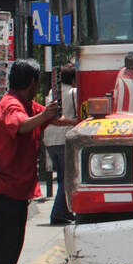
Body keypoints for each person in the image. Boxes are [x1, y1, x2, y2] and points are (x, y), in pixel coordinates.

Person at [0, 60, 61, 264]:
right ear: (33, 82)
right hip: (3, 185)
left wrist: (75, 121)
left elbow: (47, 118)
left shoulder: (27, 104)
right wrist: (45, 114)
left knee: (14, 235)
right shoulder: (11, 104)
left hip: (16, 186)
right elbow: (20, 126)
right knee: (3, 235)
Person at [42, 64, 79, 226]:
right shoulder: (73, 92)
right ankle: (58, 213)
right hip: (64, 138)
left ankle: (64, 211)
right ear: (73, 79)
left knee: (62, 177)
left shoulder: (53, 93)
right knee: (67, 178)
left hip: (50, 140)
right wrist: (75, 122)